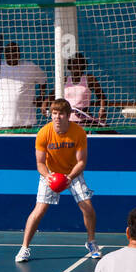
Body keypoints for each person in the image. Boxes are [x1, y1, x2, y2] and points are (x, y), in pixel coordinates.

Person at [15, 98, 100, 263]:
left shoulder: (78, 133)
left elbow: (82, 162)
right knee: (39, 211)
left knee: (87, 207)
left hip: (72, 174)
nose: (57, 117)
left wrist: (69, 178)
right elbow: (40, 163)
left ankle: (91, 243)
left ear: (68, 116)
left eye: (61, 113)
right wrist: (48, 176)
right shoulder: (43, 133)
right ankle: (24, 247)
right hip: (51, 174)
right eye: (54, 113)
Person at [0, 42, 47, 130]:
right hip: (2, 121)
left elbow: (43, 80)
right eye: (9, 51)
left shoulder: (30, 67)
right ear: (5, 54)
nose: (12, 54)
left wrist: (41, 96)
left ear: (19, 53)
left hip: (25, 121)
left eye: (15, 51)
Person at [64, 52, 106, 128]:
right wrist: (44, 103)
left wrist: (102, 109)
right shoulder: (65, 80)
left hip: (83, 119)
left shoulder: (89, 79)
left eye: (78, 63)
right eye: (73, 63)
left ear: (83, 65)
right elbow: (53, 94)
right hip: (66, 119)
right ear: (70, 65)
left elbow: (101, 96)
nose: (76, 66)